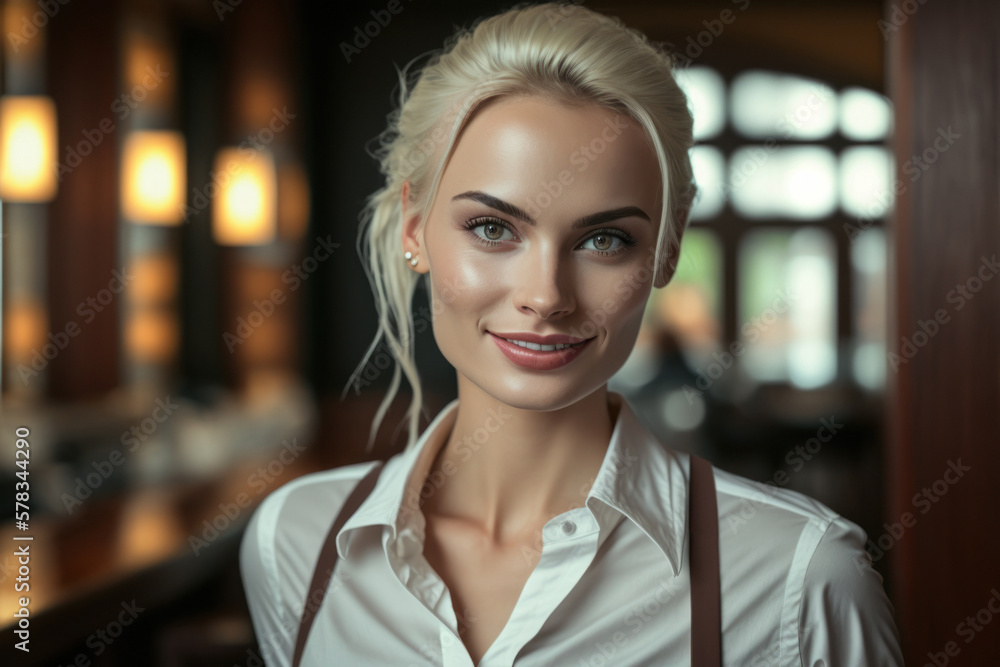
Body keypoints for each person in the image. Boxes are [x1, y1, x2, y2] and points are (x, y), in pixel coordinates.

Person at [240, 2, 903, 665]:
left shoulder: (799, 577)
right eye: (493, 228)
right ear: (415, 229)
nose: (546, 295)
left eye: (605, 239)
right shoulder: (298, 543)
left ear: (666, 250)